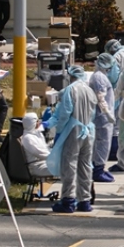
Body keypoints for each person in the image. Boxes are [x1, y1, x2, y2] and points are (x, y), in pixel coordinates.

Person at [48, 66, 98, 213]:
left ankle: (68, 200)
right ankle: (85, 200)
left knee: (69, 165)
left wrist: (59, 130)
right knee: (85, 165)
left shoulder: (71, 90)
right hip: (88, 130)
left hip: (73, 130)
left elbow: (65, 113)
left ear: (70, 75)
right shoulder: (90, 90)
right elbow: (93, 112)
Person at [88, 54, 117, 182]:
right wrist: (108, 114)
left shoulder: (100, 76)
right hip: (102, 117)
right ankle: (98, 170)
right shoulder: (99, 77)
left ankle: (99, 168)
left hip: (102, 116)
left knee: (102, 143)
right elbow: (101, 98)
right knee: (102, 143)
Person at [19, 110, 50, 178]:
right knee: (67, 167)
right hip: (37, 167)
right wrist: (56, 157)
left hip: (43, 162)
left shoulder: (36, 133)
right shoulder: (28, 138)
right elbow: (40, 153)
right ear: (32, 123)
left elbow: (44, 147)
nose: (40, 122)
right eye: (37, 121)